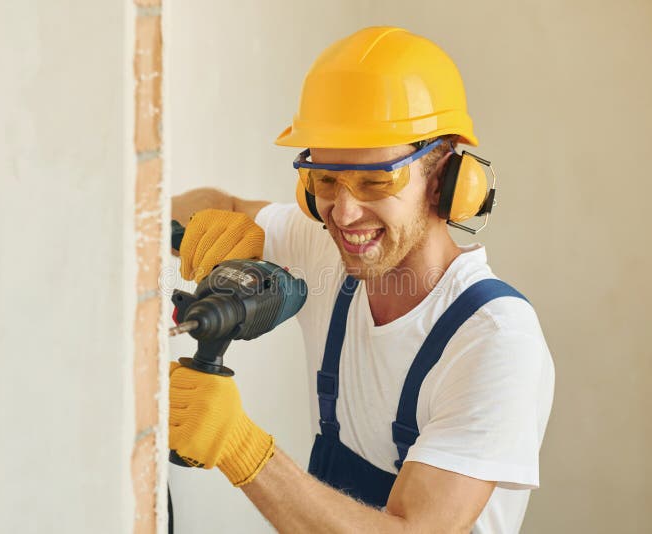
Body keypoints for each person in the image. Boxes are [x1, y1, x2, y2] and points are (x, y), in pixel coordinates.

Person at [168, 26, 554, 533]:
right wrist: (213, 226)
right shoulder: (323, 250)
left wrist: (241, 448)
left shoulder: (496, 341)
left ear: (446, 180)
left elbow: (415, 529)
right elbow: (192, 205)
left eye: (376, 181)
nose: (344, 214)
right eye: (325, 179)